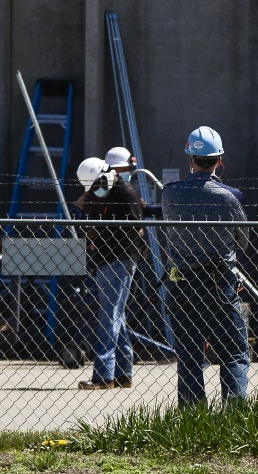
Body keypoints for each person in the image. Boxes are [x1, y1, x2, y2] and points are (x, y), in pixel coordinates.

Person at [159, 126, 249, 406]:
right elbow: (243, 240)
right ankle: (234, 415)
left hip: (182, 284)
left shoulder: (169, 194)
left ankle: (192, 416)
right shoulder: (231, 196)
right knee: (233, 354)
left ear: (190, 159)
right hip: (219, 285)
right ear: (219, 160)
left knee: (188, 356)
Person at [75, 154, 146, 390]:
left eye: (96, 185)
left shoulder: (125, 192)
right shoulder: (101, 193)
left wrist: (100, 229)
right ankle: (123, 373)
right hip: (106, 260)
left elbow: (134, 228)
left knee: (109, 317)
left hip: (120, 260)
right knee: (115, 316)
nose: (95, 189)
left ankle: (103, 376)